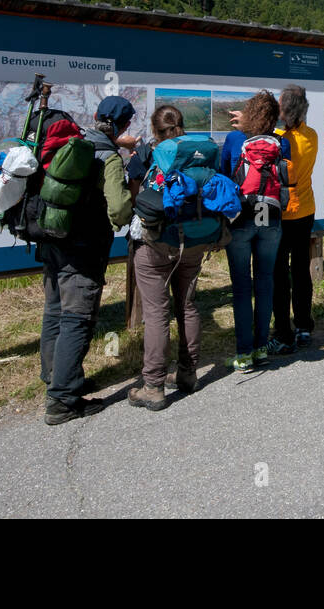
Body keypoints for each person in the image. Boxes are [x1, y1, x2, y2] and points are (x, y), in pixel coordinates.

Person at [40, 95, 135, 425]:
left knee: (54, 310)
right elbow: (120, 210)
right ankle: (62, 401)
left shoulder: (74, 141)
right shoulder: (108, 158)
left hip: (52, 240)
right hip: (83, 249)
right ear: (123, 126)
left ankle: (57, 378)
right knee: (77, 318)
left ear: (95, 116)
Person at [125, 105, 209, 411]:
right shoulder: (197, 151)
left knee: (157, 313)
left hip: (155, 243)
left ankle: (154, 386)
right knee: (187, 306)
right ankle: (187, 374)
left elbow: (135, 198)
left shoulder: (148, 155)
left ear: (154, 129)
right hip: (193, 241)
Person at [220, 91, 286, 372]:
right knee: (265, 282)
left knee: (242, 287)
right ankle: (261, 348)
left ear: (248, 114)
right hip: (270, 218)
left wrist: (243, 128)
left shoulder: (235, 139)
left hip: (242, 218)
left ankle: (244, 353)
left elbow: (223, 173)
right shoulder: (281, 142)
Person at [270, 85, 319, 354]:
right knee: (301, 269)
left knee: (279, 273)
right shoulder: (311, 136)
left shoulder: (276, 137)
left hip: (280, 212)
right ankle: (303, 327)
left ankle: (283, 333)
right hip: (305, 210)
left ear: (283, 109)